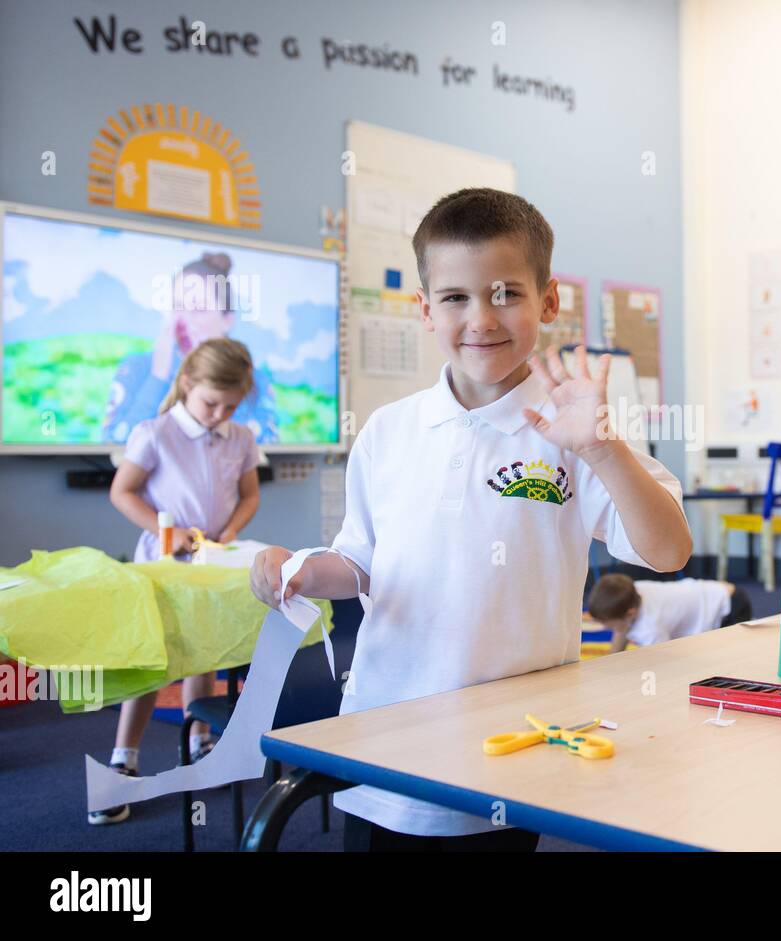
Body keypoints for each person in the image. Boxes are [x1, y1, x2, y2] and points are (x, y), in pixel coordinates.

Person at [249, 188, 693, 852]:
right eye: (455, 297)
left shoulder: (574, 425)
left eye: (506, 292)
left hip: (510, 747)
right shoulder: (387, 431)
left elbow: (669, 551)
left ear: (547, 302)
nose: (481, 316)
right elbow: (363, 563)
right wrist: (305, 571)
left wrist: (602, 448)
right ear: (425, 309)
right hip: (383, 736)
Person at [93, 338, 263, 825]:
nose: (218, 414)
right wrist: (167, 534)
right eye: (211, 403)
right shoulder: (155, 432)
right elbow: (122, 492)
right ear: (188, 383)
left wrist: (230, 531)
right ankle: (124, 759)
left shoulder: (242, 438)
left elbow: (249, 496)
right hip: (164, 565)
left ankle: (200, 742)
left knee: (202, 652)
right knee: (153, 658)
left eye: (230, 406)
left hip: (213, 564)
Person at [103, 252, 279, 444]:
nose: (186, 320)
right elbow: (115, 443)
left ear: (227, 320)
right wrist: (157, 378)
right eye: (178, 308)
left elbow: (256, 447)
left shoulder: (254, 380)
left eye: (199, 310)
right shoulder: (137, 367)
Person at [587, 573, 751, 652]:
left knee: (725, 658)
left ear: (630, 613)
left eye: (605, 622)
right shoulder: (632, 591)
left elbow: (662, 665)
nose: (602, 626)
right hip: (713, 590)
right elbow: (621, 629)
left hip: (731, 608)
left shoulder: (651, 630)